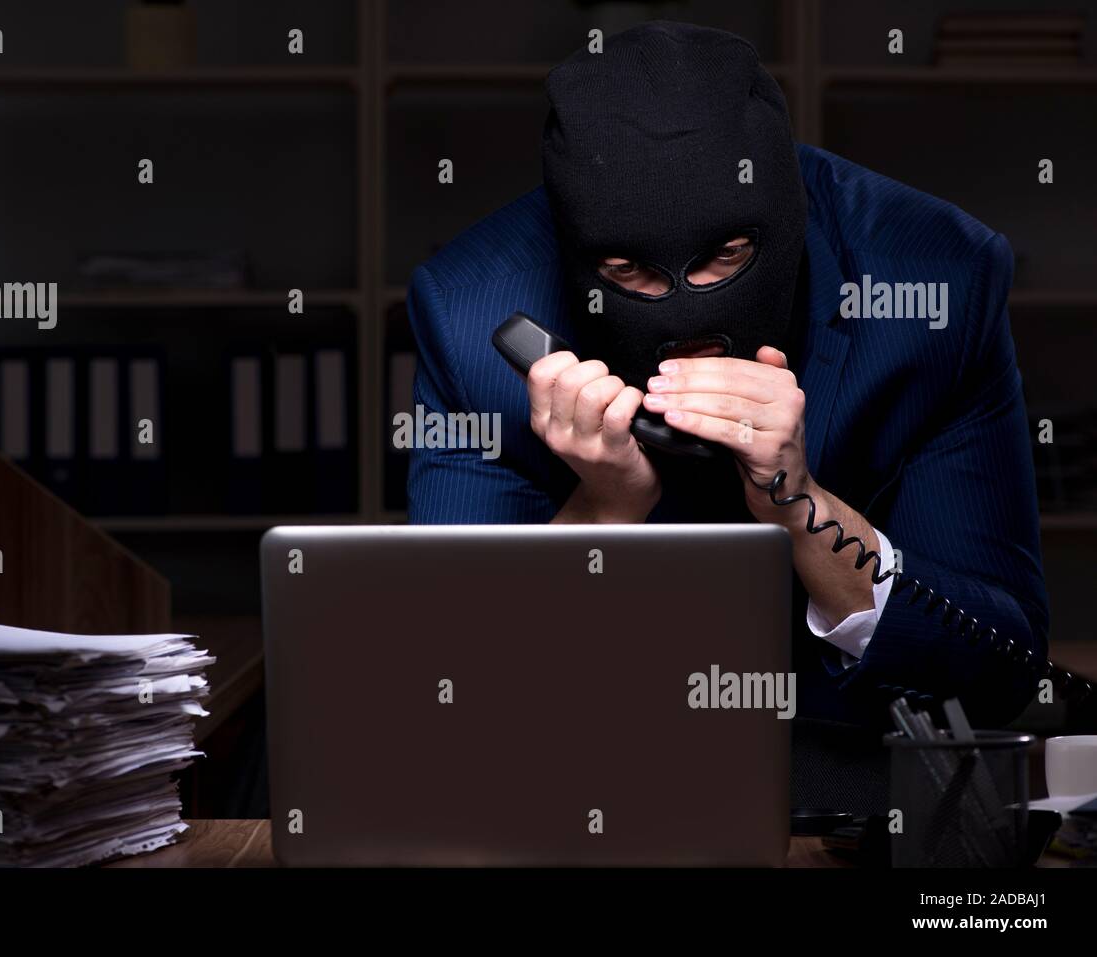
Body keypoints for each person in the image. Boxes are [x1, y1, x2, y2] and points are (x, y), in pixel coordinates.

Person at [405, 21, 1047, 809]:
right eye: (629, 272)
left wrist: (801, 503)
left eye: (730, 256)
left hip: (859, 785)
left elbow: (1004, 667)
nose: (689, 308)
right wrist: (603, 507)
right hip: (588, 786)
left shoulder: (934, 287)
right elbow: (455, 700)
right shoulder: (472, 314)